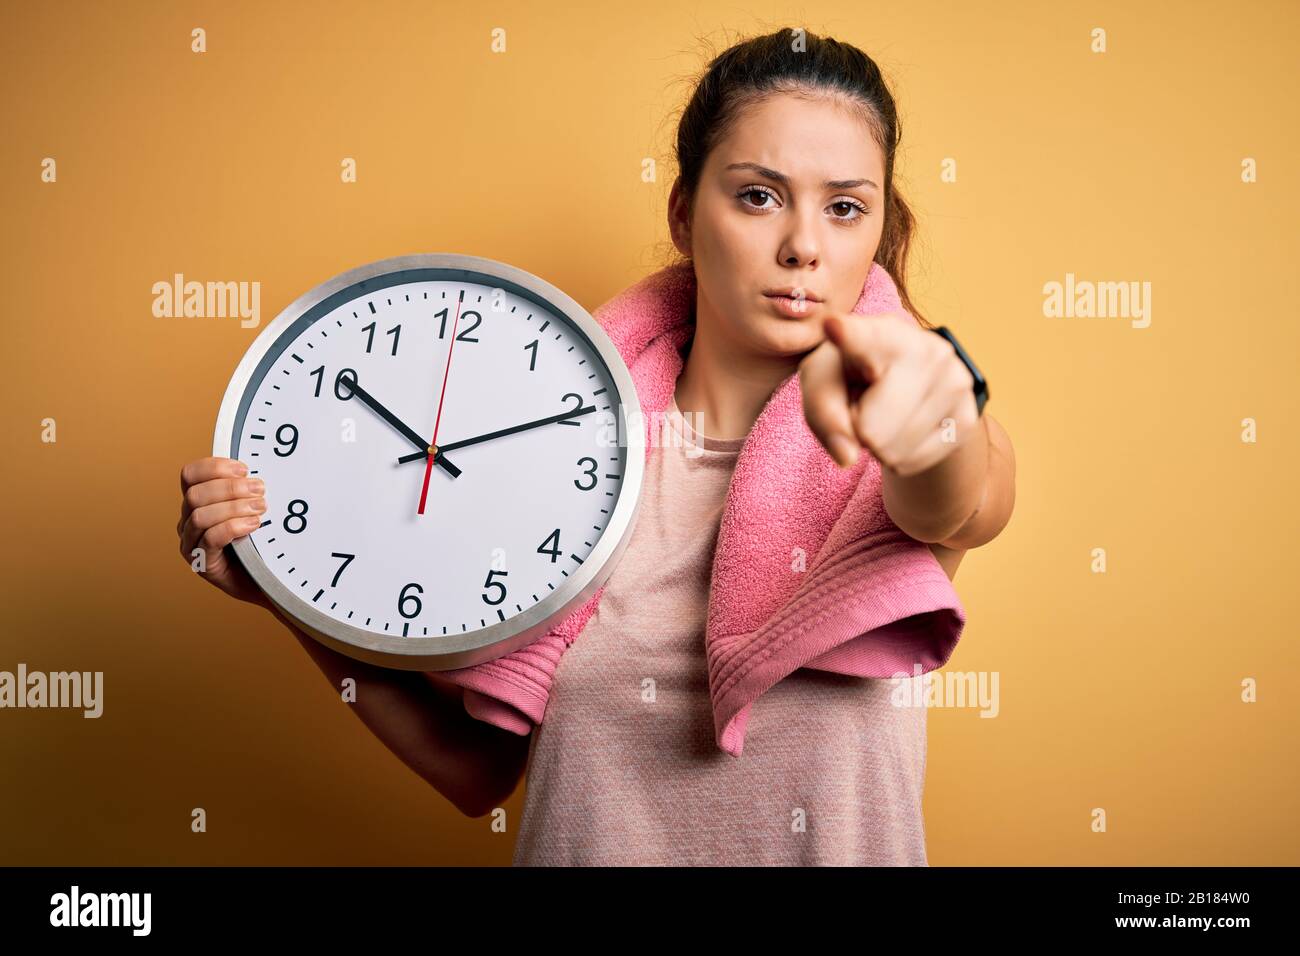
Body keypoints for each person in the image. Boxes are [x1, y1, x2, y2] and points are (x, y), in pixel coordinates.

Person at [176, 27, 1015, 865]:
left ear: (877, 230)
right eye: (759, 195)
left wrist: (931, 418)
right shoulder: (543, 457)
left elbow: (964, 499)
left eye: (844, 207)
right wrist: (290, 591)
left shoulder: (901, 436)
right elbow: (477, 773)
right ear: (685, 215)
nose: (803, 244)